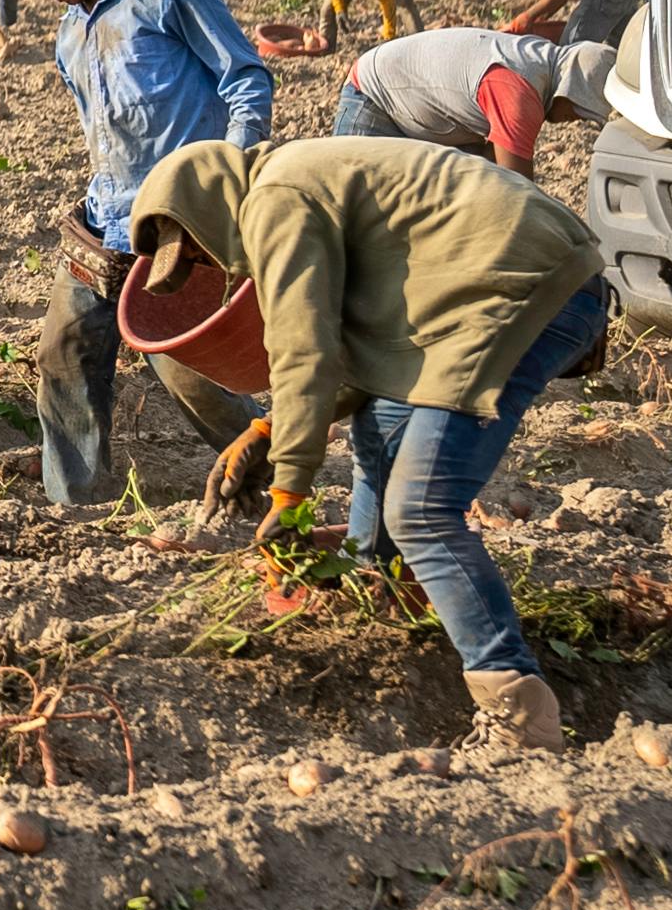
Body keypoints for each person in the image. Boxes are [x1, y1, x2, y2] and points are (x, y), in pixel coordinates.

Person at [129, 137, 611, 751]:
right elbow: (358, 367)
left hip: (515, 286)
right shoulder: (295, 179)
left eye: (194, 248)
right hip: (488, 286)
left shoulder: (274, 198)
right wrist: (266, 431)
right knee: (378, 429)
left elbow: (304, 353)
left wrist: (289, 492)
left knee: (421, 510)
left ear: (208, 205)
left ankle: (520, 714)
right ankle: (380, 595)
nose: (205, 262)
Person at [5, 0, 275, 506]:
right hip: (106, 222)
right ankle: (75, 505)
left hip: (181, 223)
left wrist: (228, 178)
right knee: (63, 351)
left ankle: (274, 475)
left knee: (190, 374)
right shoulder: (70, 35)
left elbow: (245, 79)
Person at [335, 29, 617, 172]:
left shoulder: (541, 60)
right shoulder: (519, 93)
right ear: (569, 88)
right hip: (375, 99)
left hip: (425, 114)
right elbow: (519, 192)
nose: (575, 119)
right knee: (358, 220)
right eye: (579, 109)